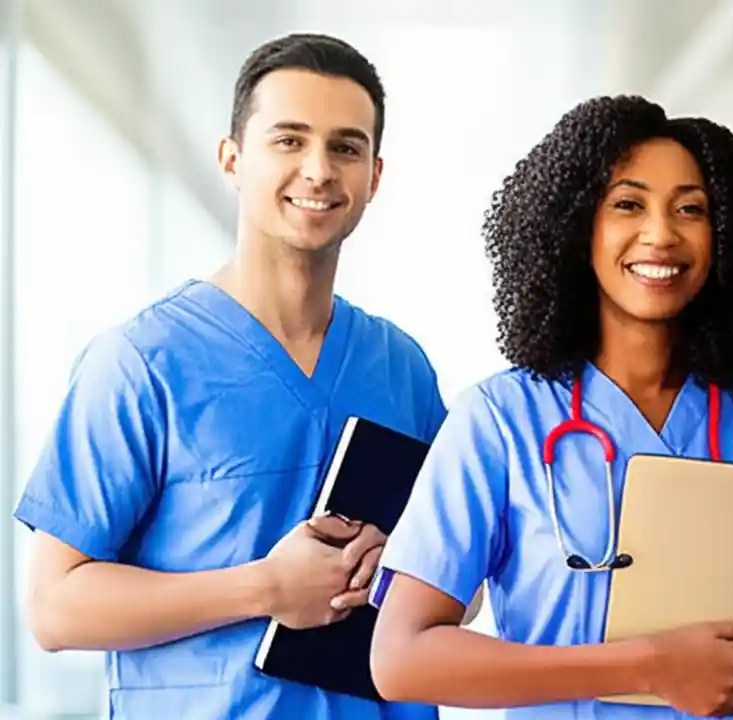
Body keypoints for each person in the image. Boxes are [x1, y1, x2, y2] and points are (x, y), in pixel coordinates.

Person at [368, 95, 733, 718]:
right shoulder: (500, 419)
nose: (661, 233)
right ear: (577, 226)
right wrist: (649, 664)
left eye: (691, 209)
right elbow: (402, 658)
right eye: (628, 204)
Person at [13, 33, 448, 719]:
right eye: (288, 140)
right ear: (232, 159)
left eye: (345, 147)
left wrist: (401, 571)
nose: (318, 170)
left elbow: (458, 584)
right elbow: (53, 607)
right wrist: (266, 588)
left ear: (374, 175)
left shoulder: (402, 368)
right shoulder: (141, 363)